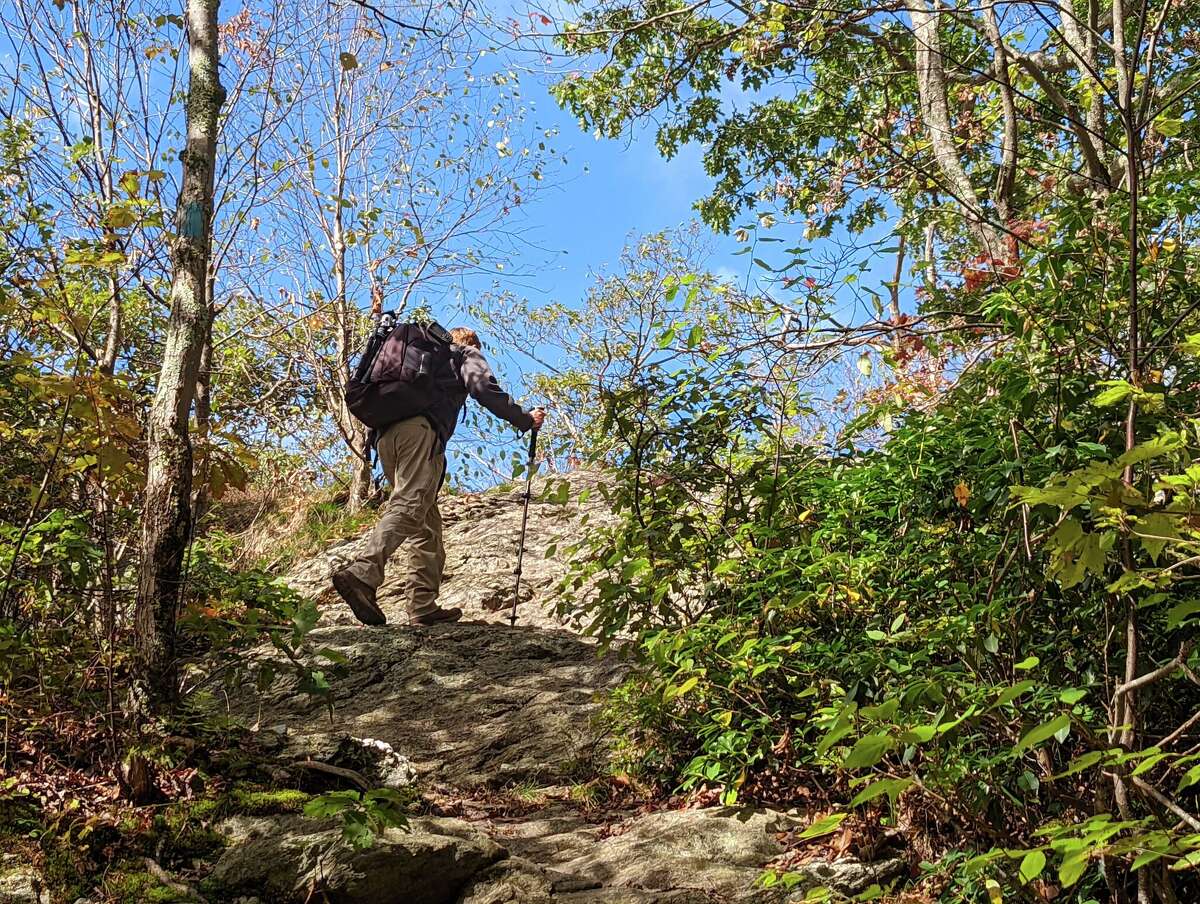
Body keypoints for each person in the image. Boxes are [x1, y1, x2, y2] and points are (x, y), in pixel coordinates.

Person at [331, 327, 545, 626]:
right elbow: (482, 388)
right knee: (409, 504)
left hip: (385, 439)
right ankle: (362, 573)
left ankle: (422, 605)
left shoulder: (418, 361)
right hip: (420, 432)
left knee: (425, 523)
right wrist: (524, 418)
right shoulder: (462, 353)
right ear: (472, 343)